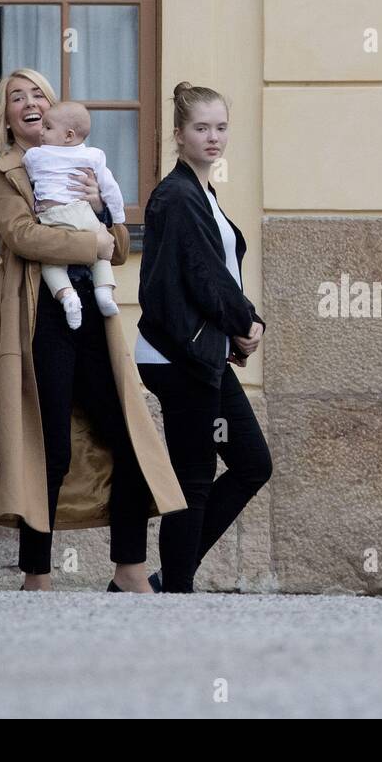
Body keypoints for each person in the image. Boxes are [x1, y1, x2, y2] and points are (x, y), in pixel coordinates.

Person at [0, 68, 186, 593]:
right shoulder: (3, 171)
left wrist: (100, 211)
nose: (29, 103)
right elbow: (23, 236)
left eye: (38, 95)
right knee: (46, 443)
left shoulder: (87, 163)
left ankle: (129, 568)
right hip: (38, 316)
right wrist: (91, 244)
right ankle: (37, 573)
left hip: (96, 315)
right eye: (16, 97)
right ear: (7, 116)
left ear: (57, 115)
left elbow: (119, 244)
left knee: (126, 435)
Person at [136, 81, 272, 594]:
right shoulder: (176, 196)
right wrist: (246, 324)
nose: (213, 137)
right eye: (201, 128)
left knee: (251, 464)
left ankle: (168, 578)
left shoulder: (202, 192)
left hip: (200, 351)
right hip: (179, 355)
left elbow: (217, 277)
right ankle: (175, 589)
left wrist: (241, 325)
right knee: (194, 476)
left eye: (220, 127)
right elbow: (202, 277)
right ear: (179, 134)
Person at [22, 101, 126, 329]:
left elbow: (31, 176)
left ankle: (68, 296)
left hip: (53, 218)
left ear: (68, 135)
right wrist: (115, 215)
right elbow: (111, 188)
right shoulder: (93, 156)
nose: (41, 131)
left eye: (47, 127)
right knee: (100, 256)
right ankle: (105, 292)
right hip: (83, 214)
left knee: (51, 263)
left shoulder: (33, 156)